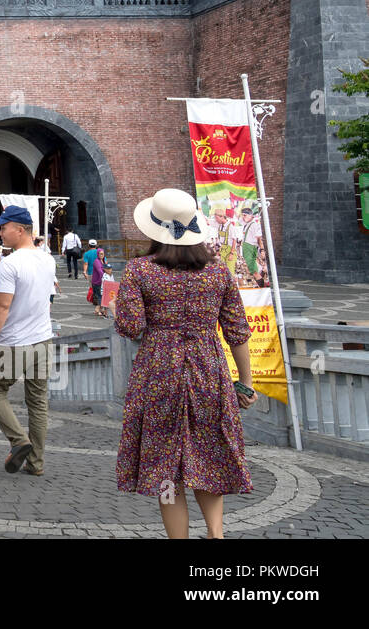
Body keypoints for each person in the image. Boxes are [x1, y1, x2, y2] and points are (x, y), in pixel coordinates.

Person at [116, 188, 255, 538]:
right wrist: (247, 383)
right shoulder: (218, 272)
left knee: (164, 467)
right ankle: (216, 533)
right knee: (208, 454)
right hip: (208, 371)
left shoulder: (138, 270)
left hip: (158, 372)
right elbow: (238, 331)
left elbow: (130, 326)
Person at [0, 205, 56, 477]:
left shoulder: (10, 263)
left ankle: (18, 440)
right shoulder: (47, 259)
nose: (0, 233)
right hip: (43, 340)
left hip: (14, 341)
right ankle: (36, 463)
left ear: (20, 230)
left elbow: (2, 306)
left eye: (4, 228)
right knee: (38, 402)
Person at [89, 246, 108, 316]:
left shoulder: (102, 261)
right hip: (97, 282)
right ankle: (97, 309)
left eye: (103, 254)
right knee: (100, 296)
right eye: (100, 254)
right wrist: (105, 278)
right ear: (98, 254)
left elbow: (106, 269)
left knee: (101, 296)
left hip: (101, 281)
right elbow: (100, 271)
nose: (102, 255)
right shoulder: (96, 262)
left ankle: (100, 309)